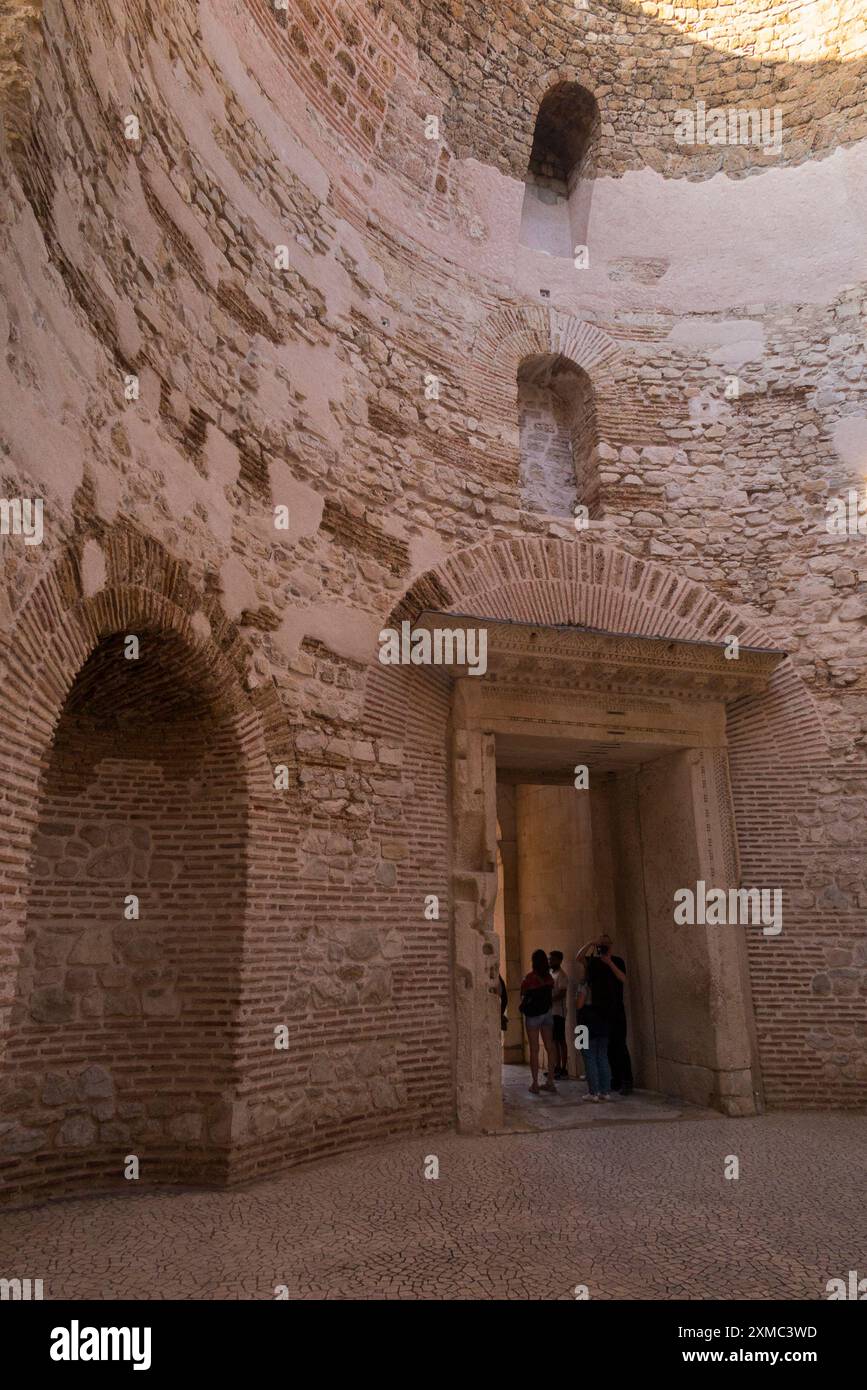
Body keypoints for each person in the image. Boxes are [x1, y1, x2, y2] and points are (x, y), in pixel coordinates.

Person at [579, 933, 633, 1096]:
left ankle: (626, 1081)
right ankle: (613, 1079)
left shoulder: (617, 961)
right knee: (606, 1048)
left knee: (620, 1045)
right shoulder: (593, 962)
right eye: (601, 943)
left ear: (611, 945)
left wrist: (609, 962)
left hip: (616, 1009)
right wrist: (590, 942)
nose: (603, 945)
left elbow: (623, 978)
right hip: (599, 1012)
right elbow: (578, 957)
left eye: (606, 943)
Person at [519, 949, 558, 1095]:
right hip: (547, 1014)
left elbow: (523, 995)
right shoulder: (549, 978)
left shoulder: (529, 978)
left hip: (533, 1016)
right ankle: (551, 1082)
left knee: (534, 1050)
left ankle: (535, 1083)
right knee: (550, 1047)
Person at [574, 957, 611, 1102]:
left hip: (585, 1023)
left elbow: (579, 1005)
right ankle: (605, 1091)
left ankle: (593, 1092)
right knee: (602, 1056)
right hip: (603, 1022)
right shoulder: (606, 984)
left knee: (588, 1057)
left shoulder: (585, 984)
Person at [548, 949, 570, 1080]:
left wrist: (549, 1000)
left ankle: (563, 1068)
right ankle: (556, 1066)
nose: (550, 961)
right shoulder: (551, 973)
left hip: (559, 1013)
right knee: (553, 1041)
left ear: (559, 960)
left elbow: (562, 993)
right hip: (551, 1013)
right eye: (549, 959)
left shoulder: (562, 975)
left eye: (552, 959)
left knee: (561, 1040)